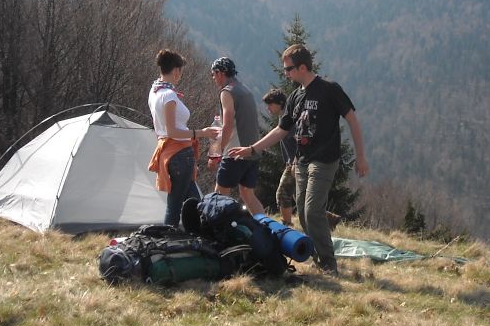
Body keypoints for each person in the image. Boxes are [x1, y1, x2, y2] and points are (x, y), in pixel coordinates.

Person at [230, 44, 368, 275]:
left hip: (324, 160)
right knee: (303, 212)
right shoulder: (295, 96)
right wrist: (252, 149)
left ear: (303, 67)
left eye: (289, 69)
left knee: (313, 209)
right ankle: (318, 259)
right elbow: (281, 130)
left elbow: (352, 120)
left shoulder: (329, 89)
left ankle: (328, 263)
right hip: (302, 162)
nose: (286, 74)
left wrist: (360, 157)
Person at [148, 50, 220, 226]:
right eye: (180, 71)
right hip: (180, 153)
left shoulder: (154, 91)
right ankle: (167, 240)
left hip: (169, 152)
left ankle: (197, 235)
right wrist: (201, 133)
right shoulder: (169, 96)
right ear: (176, 71)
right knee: (175, 206)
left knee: (194, 202)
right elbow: (173, 131)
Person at [209, 56, 265, 215]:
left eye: (213, 74)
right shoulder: (245, 89)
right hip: (252, 152)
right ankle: (268, 229)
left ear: (220, 73)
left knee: (220, 196)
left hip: (234, 152)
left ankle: (218, 234)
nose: (213, 78)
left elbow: (226, 124)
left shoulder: (227, 92)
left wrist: (217, 152)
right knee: (248, 195)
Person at [261, 88, 297, 227]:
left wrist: (294, 161)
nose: (268, 108)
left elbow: (300, 141)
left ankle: (287, 224)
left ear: (280, 103)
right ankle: (330, 219)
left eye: (271, 104)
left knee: (282, 194)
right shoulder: (284, 117)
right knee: (302, 198)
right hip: (292, 162)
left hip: (296, 163)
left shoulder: (289, 120)